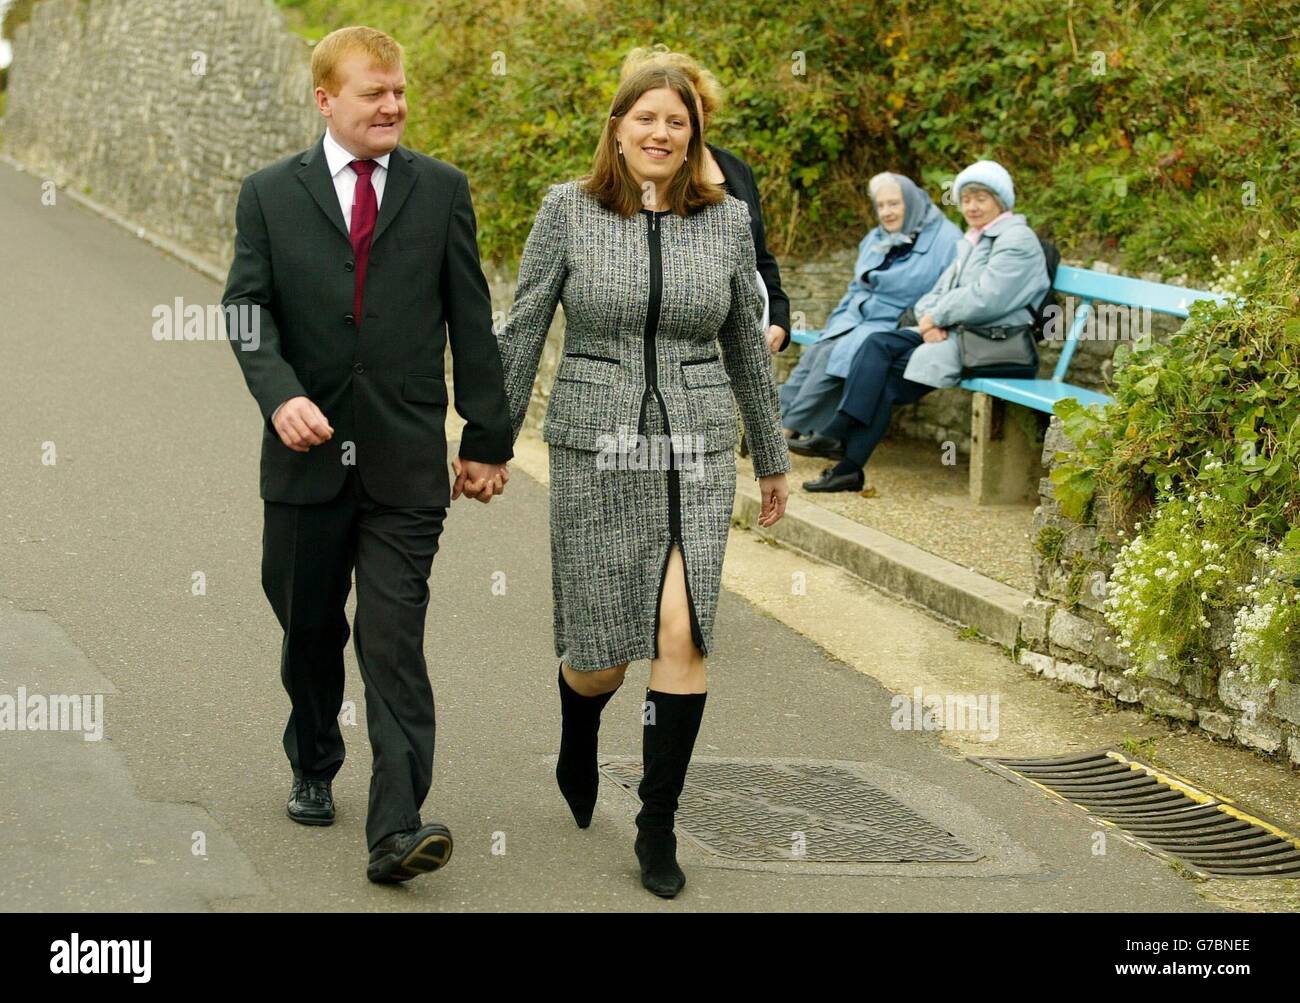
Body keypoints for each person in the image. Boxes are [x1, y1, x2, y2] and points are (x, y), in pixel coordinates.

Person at [221, 26, 512, 884]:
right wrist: (281, 395)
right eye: (373, 93)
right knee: (309, 624)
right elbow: (245, 311)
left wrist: (486, 438)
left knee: (391, 642)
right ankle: (313, 754)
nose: (393, 106)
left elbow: (471, 317)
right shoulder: (270, 194)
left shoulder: (441, 190)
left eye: (399, 92)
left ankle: (397, 828)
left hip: (405, 462)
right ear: (326, 100)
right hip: (305, 461)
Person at [496, 63, 790, 898]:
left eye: (680, 123)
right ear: (618, 126)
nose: (663, 134)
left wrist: (770, 459)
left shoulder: (728, 221)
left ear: (694, 138)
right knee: (602, 660)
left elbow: (743, 344)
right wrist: (489, 441)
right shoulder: (568, 210)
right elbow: (524, 328)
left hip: (695, 447)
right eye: (649, 118)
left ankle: (656, 820)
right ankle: (579, 715)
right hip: (597, 443)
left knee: (683, 631)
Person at [798, 159, 1048, 492]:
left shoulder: (1016, 240)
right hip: (959, 334)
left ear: (1001, 201)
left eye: (981, 199)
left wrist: (936, 318)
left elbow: (987, 298)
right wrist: (929, 319)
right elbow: (935, 294)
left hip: (992, 342)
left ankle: (843, 447)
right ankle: (843, 454)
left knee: (884, 375)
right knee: (876, 344)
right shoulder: (974, 239)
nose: (971, 207)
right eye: (967, 199)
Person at [620, 46, 791, 354]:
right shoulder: (649, 167)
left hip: (745, 335)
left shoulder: (736, 169)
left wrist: (779, 315)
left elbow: (759, 254)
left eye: (687, 100)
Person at [780, 172, 959, 443]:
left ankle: (787, 430)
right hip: (856, 317)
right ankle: (774, 422)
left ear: (910, 202)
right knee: (816, 352)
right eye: (881, 205)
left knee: (835, 359)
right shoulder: (879, 236)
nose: (886, 212)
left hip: (895, 324)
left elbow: (946, 293)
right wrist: (839, 317)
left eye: (894, 204)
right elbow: (856, 286)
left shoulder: (946, 240)